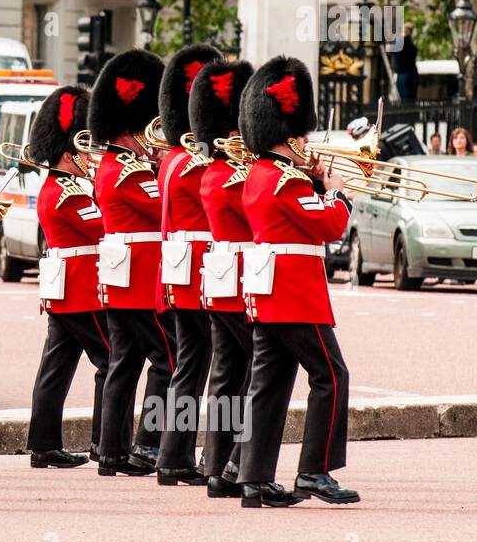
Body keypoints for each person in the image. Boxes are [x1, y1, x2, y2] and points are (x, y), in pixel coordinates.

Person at [237, 56, 358, 508]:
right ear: (288, 136)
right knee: (331, 376)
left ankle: (255, 479)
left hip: (271, 294)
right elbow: (328, 226)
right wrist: (338, 191)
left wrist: (312, 179)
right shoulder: (286, 181)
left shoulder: (261, 175)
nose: (306, 142)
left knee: (267, 385)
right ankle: (314, 471)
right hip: (294, 294)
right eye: (301, 136)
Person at [90, 51, 176, 478]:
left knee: (123, 363)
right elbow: (164, 207)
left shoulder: (114, 165)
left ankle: (111, 452)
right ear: (130, 131)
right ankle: (146, 444)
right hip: (139, 278)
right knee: (166, 359)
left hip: (121, 276)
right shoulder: (129, 171)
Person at [24, 85, 110, 469]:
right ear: (66, 154)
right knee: (112, 361)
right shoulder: (70, 194)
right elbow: (103, 228)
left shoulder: (58, 187)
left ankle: (44, 445)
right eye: (83, 152)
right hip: (81, 289)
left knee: (55, 369)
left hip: (67, 288)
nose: (89, 158)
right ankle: (104, 441)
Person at [188, 59, 256, 497]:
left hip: (222, 280)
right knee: (257, 374)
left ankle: (217, 468)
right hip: (240, 281)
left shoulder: (216, 173)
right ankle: (237, 463)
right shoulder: (231, 177)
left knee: (227, 376)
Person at [153, 44, 221, 486]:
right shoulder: (195, 164)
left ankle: (171, 457)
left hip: (181, 271)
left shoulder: (172, 159)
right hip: (200, 273)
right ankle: (203, 457)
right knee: (215, 368)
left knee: (189, 368)